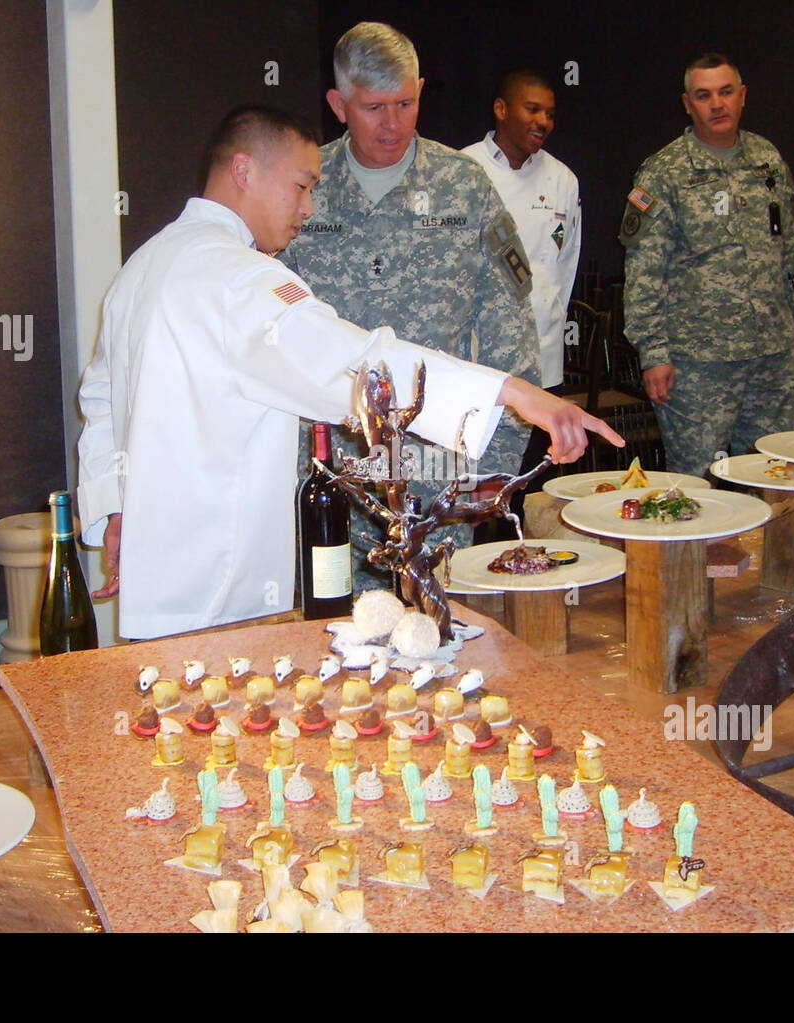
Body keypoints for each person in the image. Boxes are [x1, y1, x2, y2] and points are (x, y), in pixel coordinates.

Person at [75, 105, 619, 641]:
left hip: (162, 576)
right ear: (244, 171)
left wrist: (116, 506)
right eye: (300, 185)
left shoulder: (144, 264)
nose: (308, 207)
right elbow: (358, 364)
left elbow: (102, 400)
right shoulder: (240, 280)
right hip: (221, 589)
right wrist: (510, 390)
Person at [282, 22, 542, 577]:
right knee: (336, 636)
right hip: (332, 468)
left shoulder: (464, 186)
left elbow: (510, 334)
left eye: (405, 102)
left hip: (439, 470)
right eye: (375, 107)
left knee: (445, 637)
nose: (393, 124)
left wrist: (495, 470)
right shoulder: (303, 187)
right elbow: (272, 336)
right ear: (338, 103)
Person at [619, 53, 794, 478]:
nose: (717, 104)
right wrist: (653, 353)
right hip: (697, 365)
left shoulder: (768, 161)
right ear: (687, 104)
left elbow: (793, 246)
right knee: (698, 482)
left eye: (726, 92)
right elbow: (644, 271)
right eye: (704, 95)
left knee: (779, 473)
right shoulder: (664, 173)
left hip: (771, 356)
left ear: (742, 96)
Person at [462, 69, 581, 527]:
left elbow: (564, 266)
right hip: (478, 365)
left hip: (542, 362)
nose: (543, 121)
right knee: (477, 490)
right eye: (532, 109)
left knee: (524, 487)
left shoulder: (563, 181)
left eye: (550, 113)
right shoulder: (464, 169)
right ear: (501, 109)